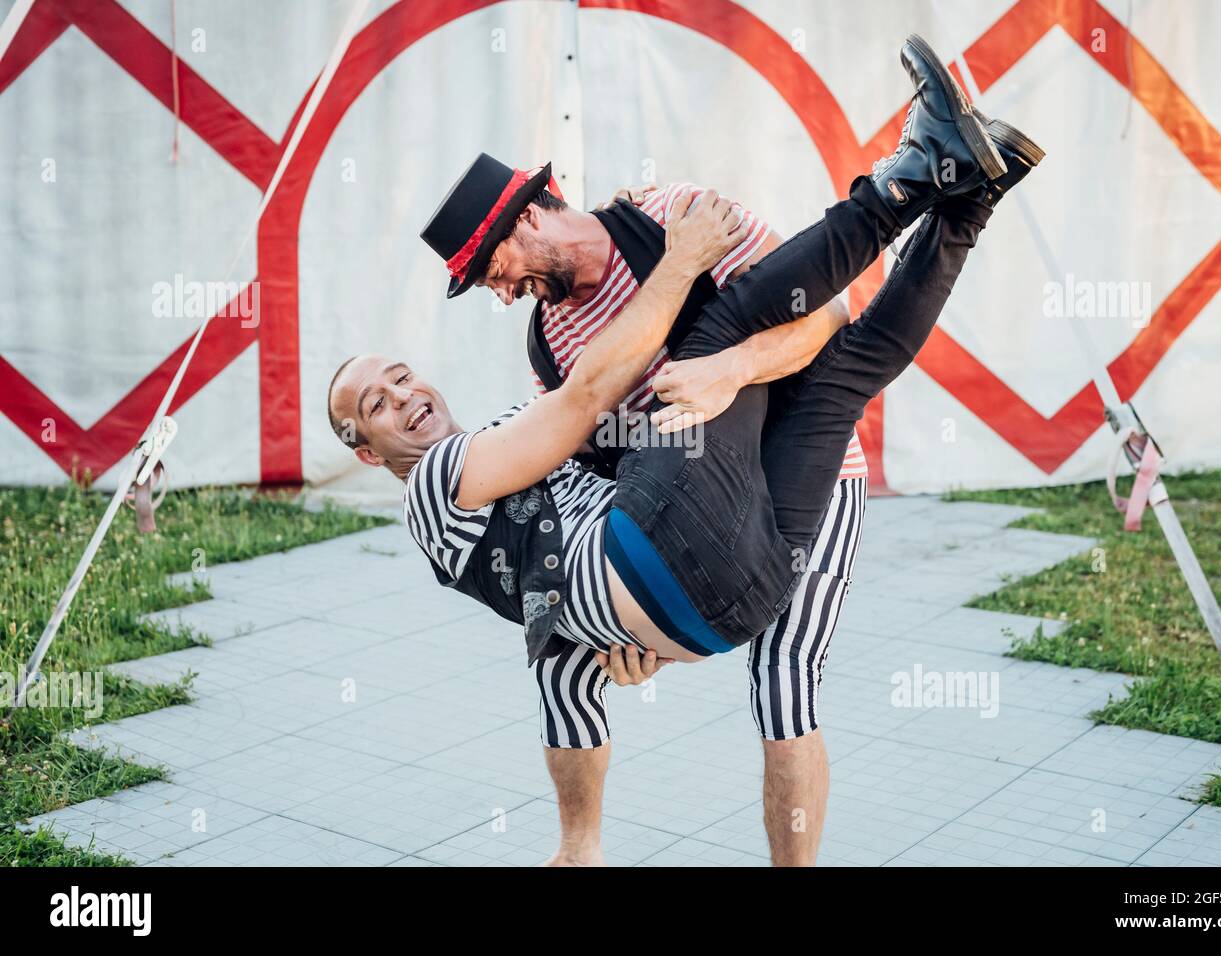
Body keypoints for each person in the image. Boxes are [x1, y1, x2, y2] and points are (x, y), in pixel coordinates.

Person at [328, 34, 1042, 864]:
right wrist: (618, 628)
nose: (499, 290)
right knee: (715, 369)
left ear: (528, 215)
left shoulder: (667, 215)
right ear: (370, 451)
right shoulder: (548, 354)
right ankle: (933, 176)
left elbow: (826, 319)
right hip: (699, 514)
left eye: (494, 268)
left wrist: (726, 372)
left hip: (780, 463)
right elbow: (582, 476)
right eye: (376, 405)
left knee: (822, 378)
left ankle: (960, 187)